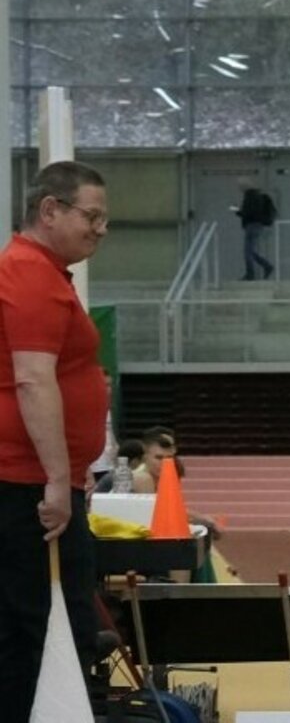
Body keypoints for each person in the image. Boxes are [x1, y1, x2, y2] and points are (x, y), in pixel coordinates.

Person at [0, 161, 114, 719]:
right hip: (26, 487)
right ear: (50, 210)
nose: (100, 229)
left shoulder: (42, 274)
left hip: (41, 479)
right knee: (40, 631)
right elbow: (32, 378)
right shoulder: (29, 273)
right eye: (91, 216)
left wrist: (70, 466)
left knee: (46, 626)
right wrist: (53, 477)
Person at [232, 179, 277, 281]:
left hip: (251, 226)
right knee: (250, 251)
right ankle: (267, 266)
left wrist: (237, 211)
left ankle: (250, 274)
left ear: (244, 187)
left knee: (247, 251)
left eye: (240, 187)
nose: (240, 189)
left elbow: (248, 213)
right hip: (257, 225)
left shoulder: (250, 197)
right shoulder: (258, 195)